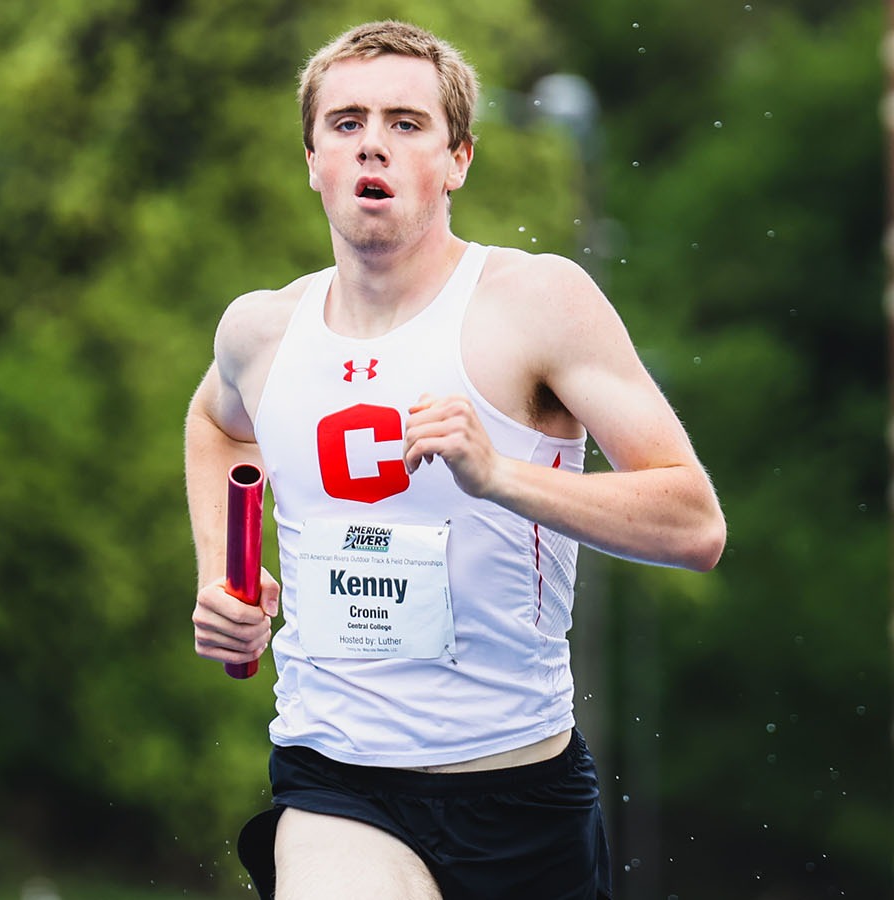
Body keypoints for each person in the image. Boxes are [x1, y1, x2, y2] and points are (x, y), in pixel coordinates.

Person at [185, 19, 725, 900]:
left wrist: (501, 476)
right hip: (336, 775)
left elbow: (694, 523)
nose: (374, 145)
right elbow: (216, 424)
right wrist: (226, 577)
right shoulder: (261, 329)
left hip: (518, 790)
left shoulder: (536, 304)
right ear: (312, 158)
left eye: (406, 123)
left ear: (459, 159)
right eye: (347, 122)